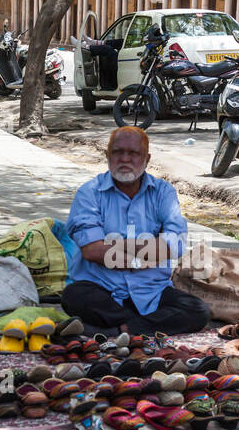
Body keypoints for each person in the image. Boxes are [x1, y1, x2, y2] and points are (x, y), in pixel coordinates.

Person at [62, 126, 210, 336]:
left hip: (151, 291)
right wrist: (143, 257)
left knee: (198, 311)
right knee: (73, 295)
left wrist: (111, 245)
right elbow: (92, 251)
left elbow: (174, 245)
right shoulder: (89, 193)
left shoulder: (163, 192)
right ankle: (142, 327)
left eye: (133, 153)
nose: (125, 159)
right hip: (102, 289)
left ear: (146, 159)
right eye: (118, 152)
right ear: (107, 155)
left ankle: (119, 329)